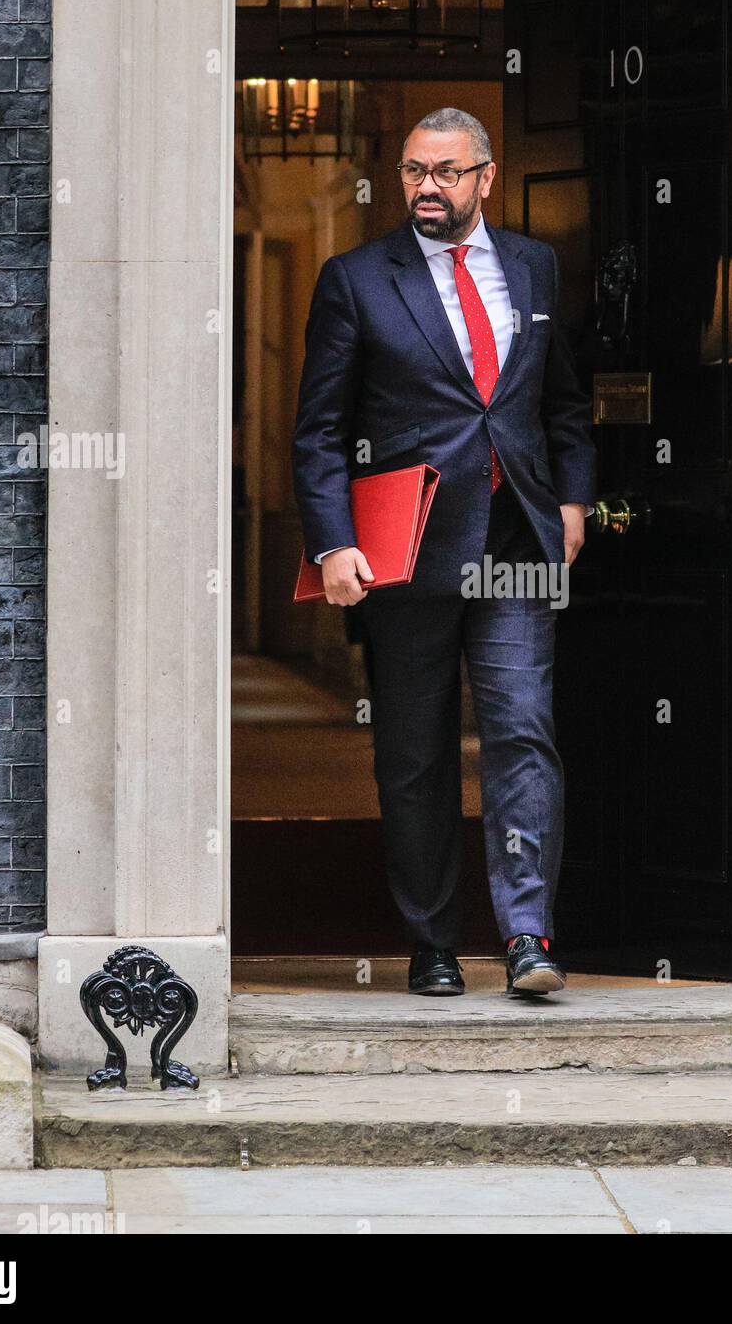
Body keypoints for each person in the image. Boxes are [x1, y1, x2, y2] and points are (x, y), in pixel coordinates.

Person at [291, 107, 595, 997]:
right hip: (408, 551)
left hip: (516, 543)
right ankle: (432, 942)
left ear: (486, 178)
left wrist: (572, 499)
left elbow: (563, 400)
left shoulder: (535, 266)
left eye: (446, 172)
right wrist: (333, 540)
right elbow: (319, 430)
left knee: (523, 734)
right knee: (415, 752)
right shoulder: (356, 279)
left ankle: (528, 935)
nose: (427, 187)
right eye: (414, 171)